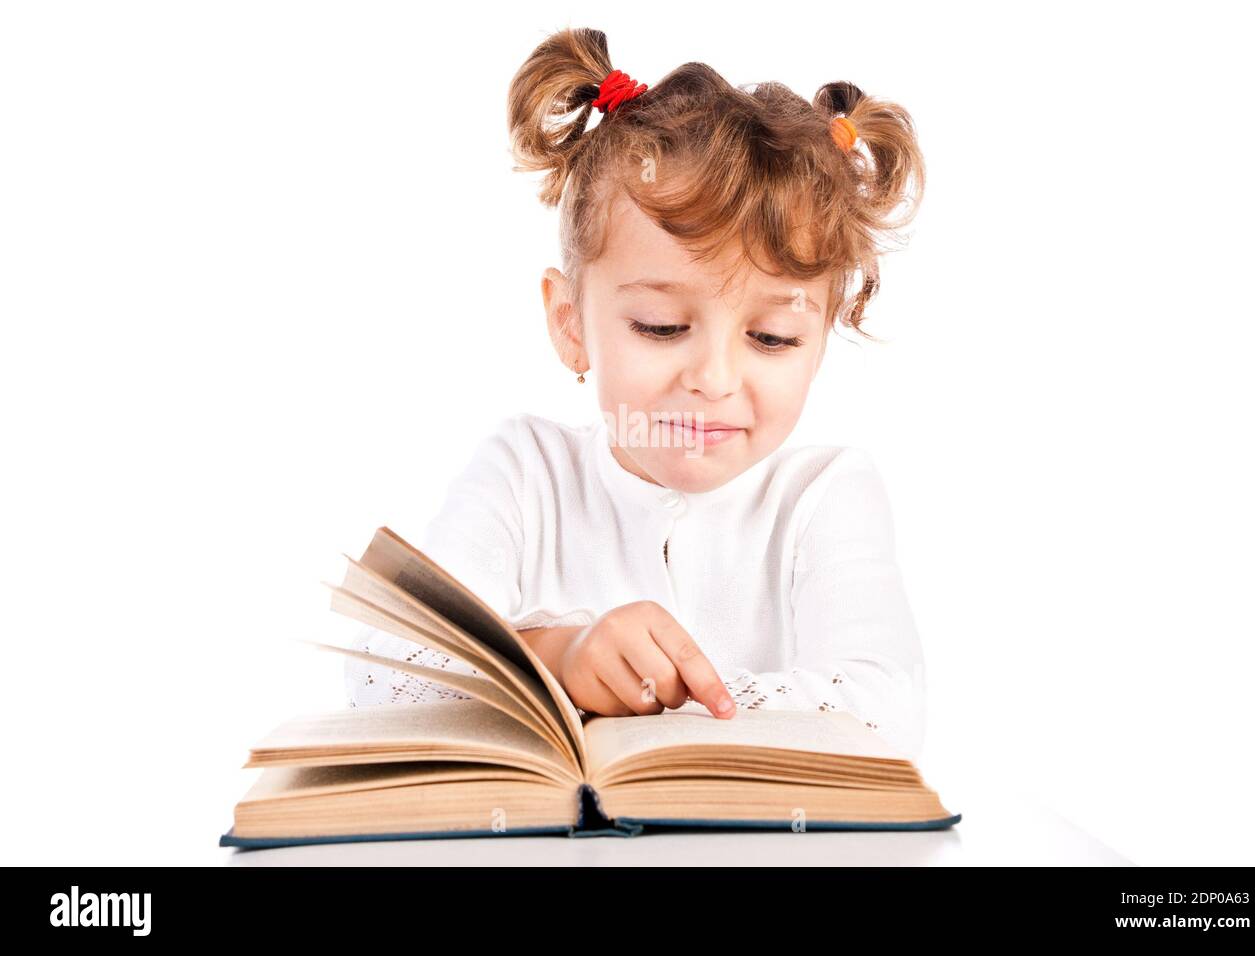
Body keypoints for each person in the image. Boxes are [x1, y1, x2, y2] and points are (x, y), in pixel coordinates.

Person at [344, 27, 930, 759]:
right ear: (571, 324)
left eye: (773, 337)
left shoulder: (824, 494)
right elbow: (380, 675)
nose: (714, 380)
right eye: (660, 327)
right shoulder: (526, 471)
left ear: (819, 344)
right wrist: (557, 655)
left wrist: (655, 700)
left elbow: (885, 710)